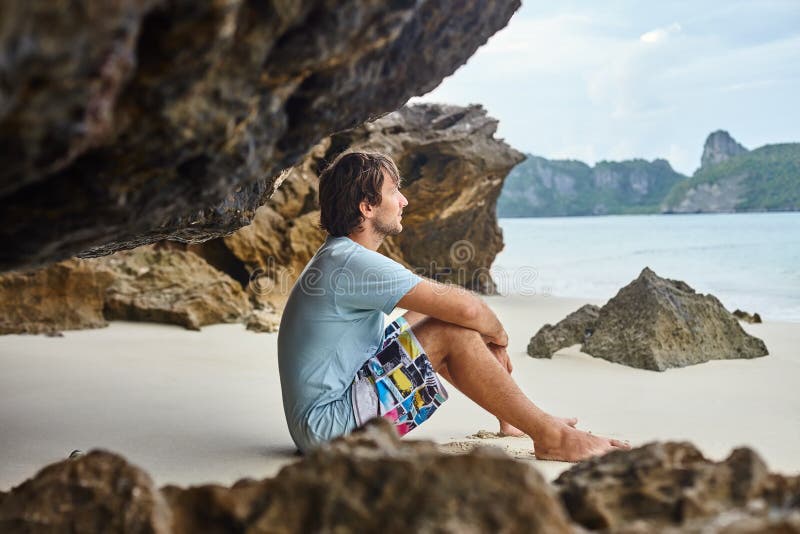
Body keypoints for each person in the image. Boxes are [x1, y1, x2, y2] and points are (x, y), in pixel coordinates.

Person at [277, 151, 630, 461]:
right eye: (394, 191)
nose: (404, 201)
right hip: (331, 431)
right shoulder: (350, 262)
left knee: (436, 314)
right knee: (451, 330)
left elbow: (447, 306)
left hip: (325, 419)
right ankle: (553, 438)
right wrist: (499, 338)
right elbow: (468, 310)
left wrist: (478, 327)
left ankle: (517, 418)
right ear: (366, 207)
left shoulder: (339, 256)